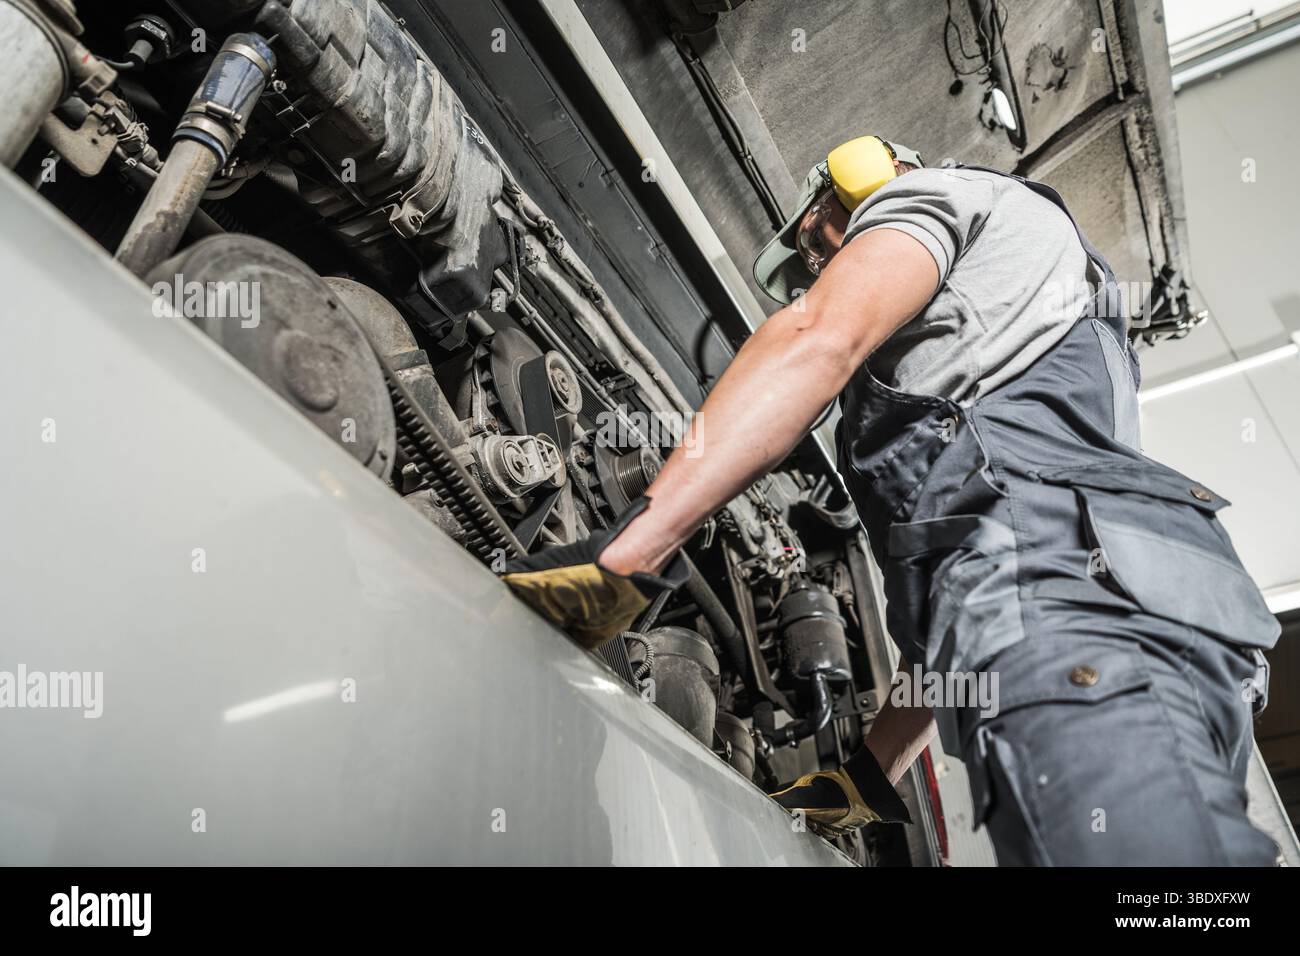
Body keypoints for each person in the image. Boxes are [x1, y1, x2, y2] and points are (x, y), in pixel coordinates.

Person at [503, 135, 1280, 865]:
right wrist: (865, 785)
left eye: (812, 246)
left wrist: (630, 556)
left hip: (1066, 591)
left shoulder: (935, 197)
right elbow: (945, 652)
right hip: (1148, 603)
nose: (815, 273)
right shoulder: (1029, 333)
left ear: (864, 178)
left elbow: (816, 339)